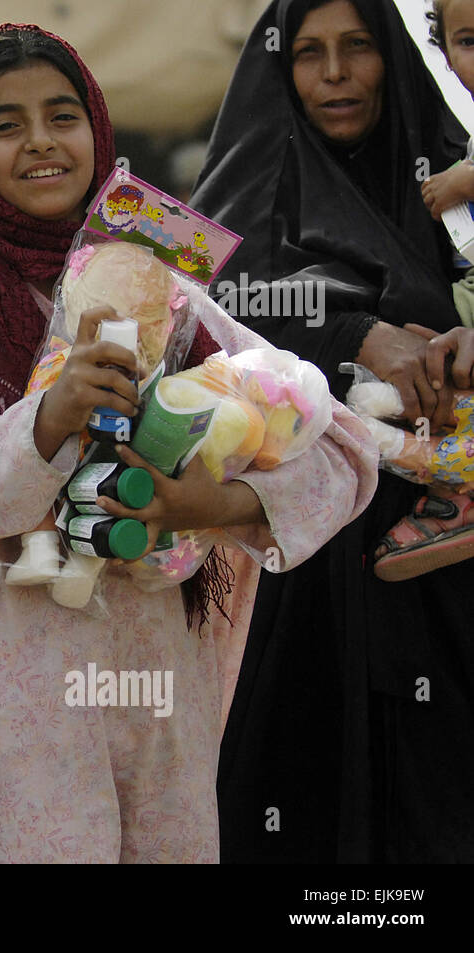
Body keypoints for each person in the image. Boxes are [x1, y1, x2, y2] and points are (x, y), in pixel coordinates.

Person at [0, 22, 375, 863]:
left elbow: (336, 445)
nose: (40, 143)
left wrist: (210, 502)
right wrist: (45, 420)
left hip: (157, 667)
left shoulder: (158, 287)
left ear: (97, 128)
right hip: (7, 678)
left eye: (62, 115)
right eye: (5, 124)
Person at [191, 0, 474, 862]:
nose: (336, 73)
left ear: (394, 57)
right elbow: (206, 307)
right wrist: (357, 334)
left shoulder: (450, 189)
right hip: (303, 552)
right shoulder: (252, 191)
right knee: (300, 788)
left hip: (442, 552)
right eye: (309, 54)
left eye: (357, 47)